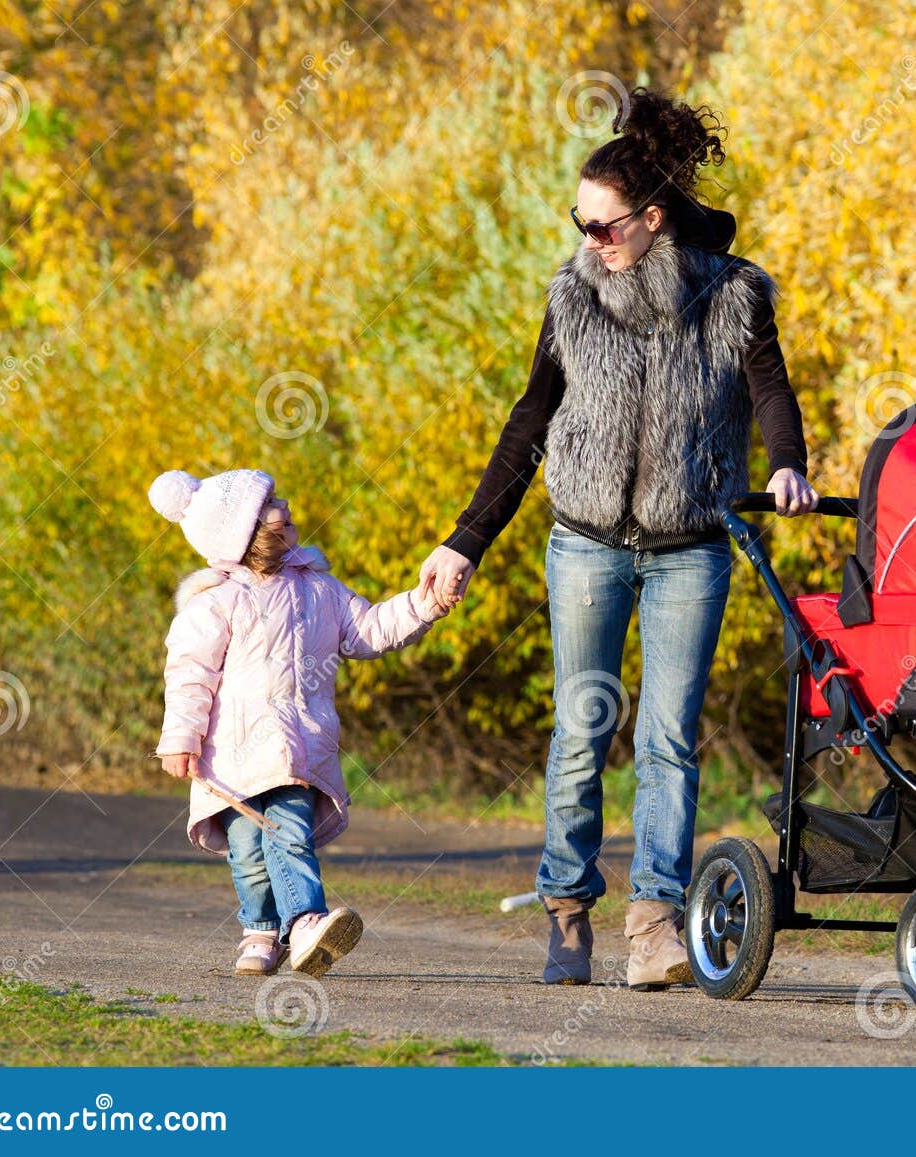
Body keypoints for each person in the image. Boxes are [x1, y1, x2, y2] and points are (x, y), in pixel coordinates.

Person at [419, 86, 818, 991]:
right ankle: (567, 914)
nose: (588, 240)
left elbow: (770, 390)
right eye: (579, 223)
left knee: (669, 739)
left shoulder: (733, 293)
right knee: (579, 732)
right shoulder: (572, 295)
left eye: (602, 226)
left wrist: (788, 461)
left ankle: (653, 924)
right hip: (587, 544)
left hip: (691, 547)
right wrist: (465, 541)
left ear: (651, 218)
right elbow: (530, 421)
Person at [150, 467, 450, 976]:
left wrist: (424, 604)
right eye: (271, 504)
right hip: (229, 755)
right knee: (247, 851)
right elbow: (189, 676)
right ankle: (260, 930)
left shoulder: (319, 590)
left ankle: (307, 921)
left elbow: (370, 630)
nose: (285, 508)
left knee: (288, 831)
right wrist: (180, 739)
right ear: (243, 530)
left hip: (295, 746)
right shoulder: (216, 603)